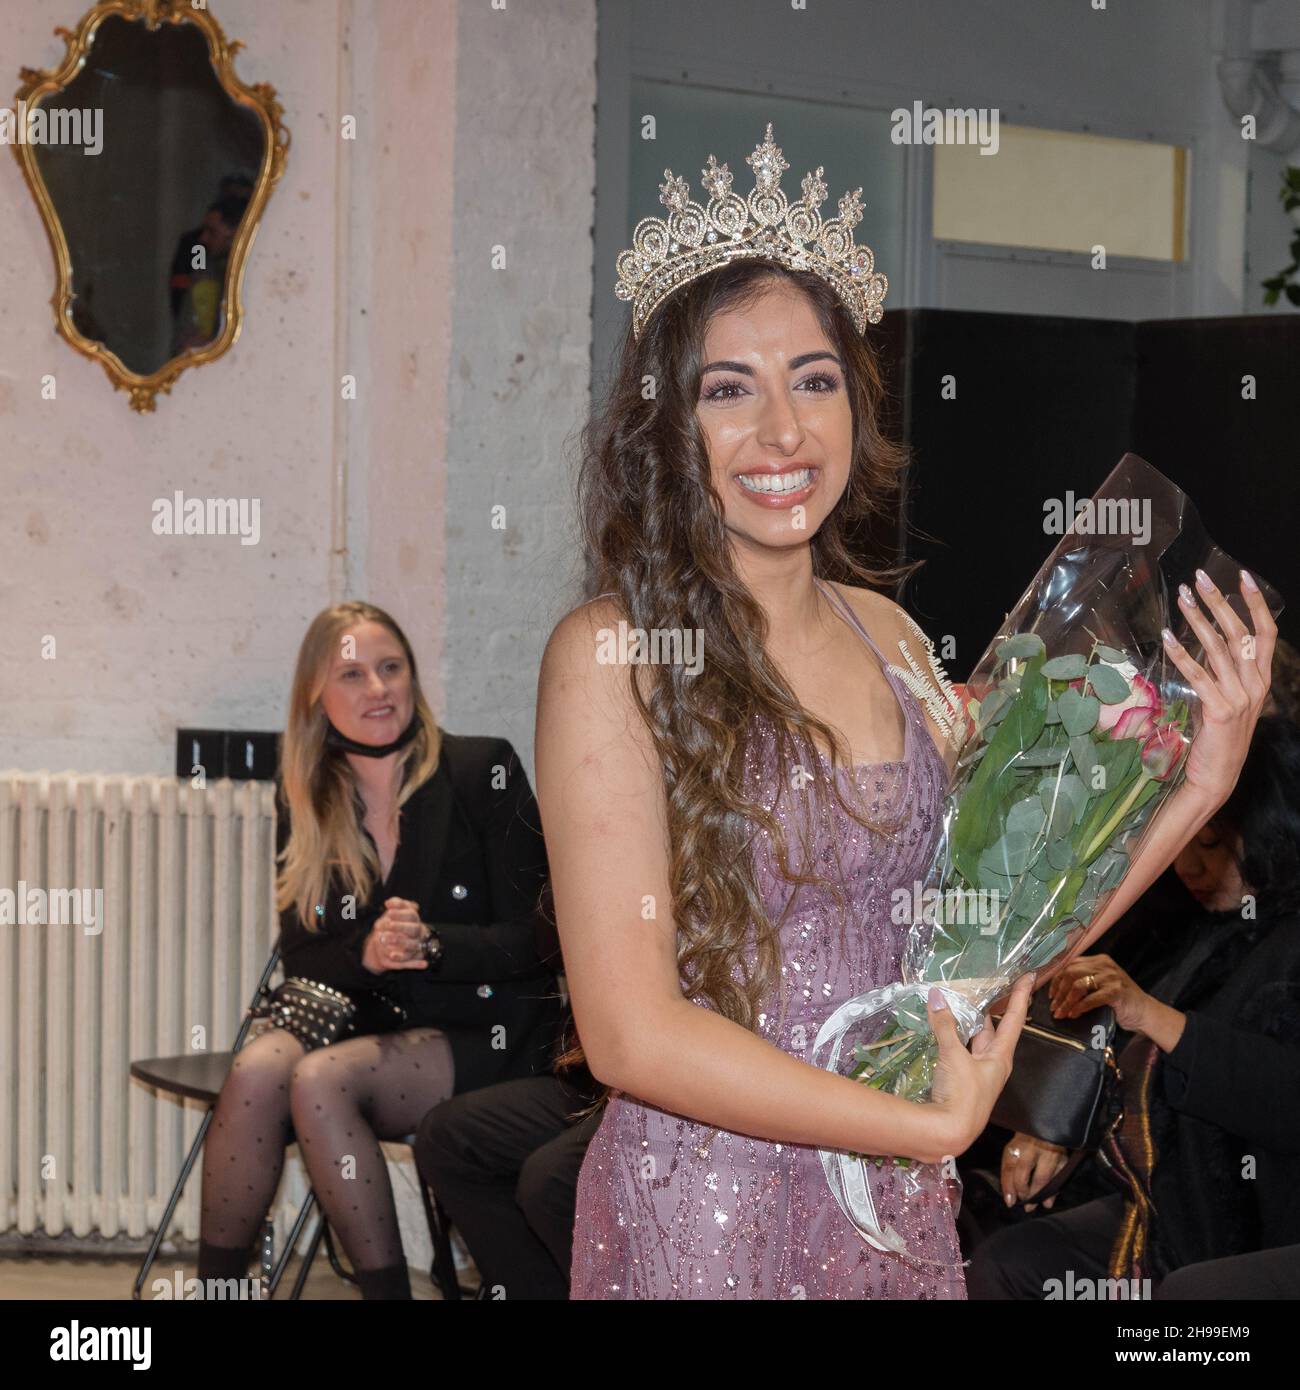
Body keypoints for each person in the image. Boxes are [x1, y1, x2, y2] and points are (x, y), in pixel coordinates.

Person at [534, 123, 1274, 1301]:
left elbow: (1006, 937)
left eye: (813, 380)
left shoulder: (887, 637)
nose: (783, 432)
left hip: (891, 1204)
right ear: (669, 427)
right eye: (731, 390)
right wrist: (924, 1127)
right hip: (708, 1214)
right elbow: (629, 1034)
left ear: (855, 405)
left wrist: (1201, 779)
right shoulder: (612, 655)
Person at [196, 601, 564, 1299]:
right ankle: (217, 1290)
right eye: (353, 674)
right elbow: (304, 956)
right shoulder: (308, 797)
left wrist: (433, 945)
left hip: (489, 1029)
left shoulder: (479, 770)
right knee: (258, 1069)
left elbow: (542, 940)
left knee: (319, 1079)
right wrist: (367, 954)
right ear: (316, 696)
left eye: (391, 668)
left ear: (413, 677)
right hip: (376, 1022)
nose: (379, 689)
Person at [969, 715, 1300, 1298]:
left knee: (1194, 1296)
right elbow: (1125, 1075)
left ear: (1271, 828)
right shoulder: (1190, 934)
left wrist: (1151, 1013)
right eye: (1180, 844)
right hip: (1167, 1206)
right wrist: (1055, 1133)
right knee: (1007, 1256)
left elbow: (1280, 1096)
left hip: (1262, 1225)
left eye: (1210, 842)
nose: (1189, 867)